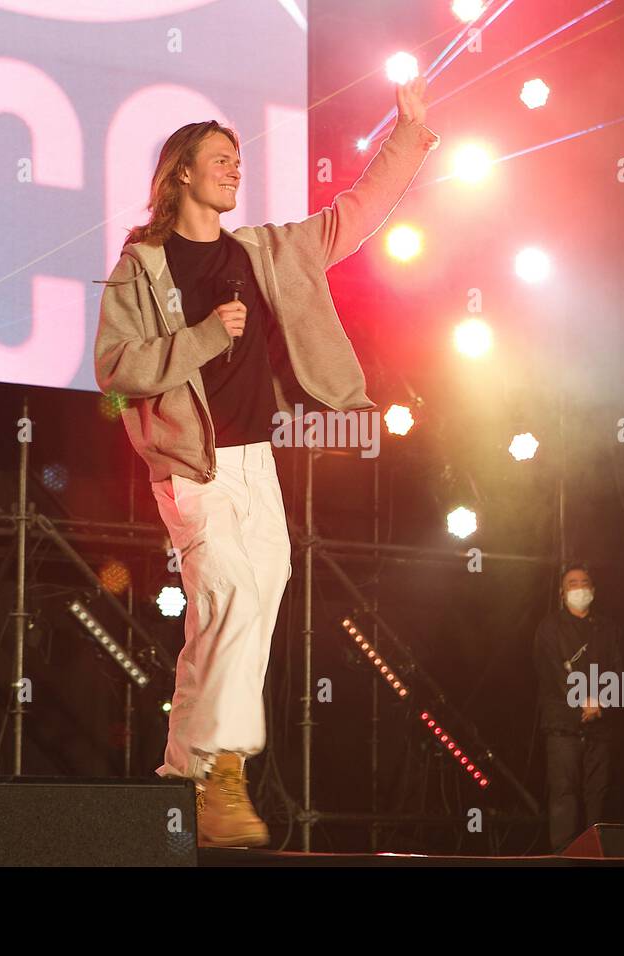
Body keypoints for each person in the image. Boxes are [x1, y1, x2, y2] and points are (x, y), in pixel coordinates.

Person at [94, 80, 440, 847]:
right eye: (219, 158)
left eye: (238, 159)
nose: (233, 169)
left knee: (236, 611)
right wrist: (209, 337)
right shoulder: (142, 268)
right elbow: (116, 369)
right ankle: (222, 778)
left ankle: (183, 773)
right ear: (180, 172)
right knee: (231, 600)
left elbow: (352, 217)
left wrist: (409, 136)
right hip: (190, 467)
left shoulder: (265, 252)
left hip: (257, 464)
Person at [534, 561, 624, 852]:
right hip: (563, 726)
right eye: (572, 583)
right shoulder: (549, 628)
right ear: (562, 592)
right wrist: (580, 705)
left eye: (584, 582)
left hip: (600, 726)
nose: (579, 588)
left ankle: (596, 857)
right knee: (564, 796)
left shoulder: (607, 628)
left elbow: (618, 670)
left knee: (598, 796)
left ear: (593, 590)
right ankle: (563, 857)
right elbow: (552, 673)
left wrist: (601, 704)